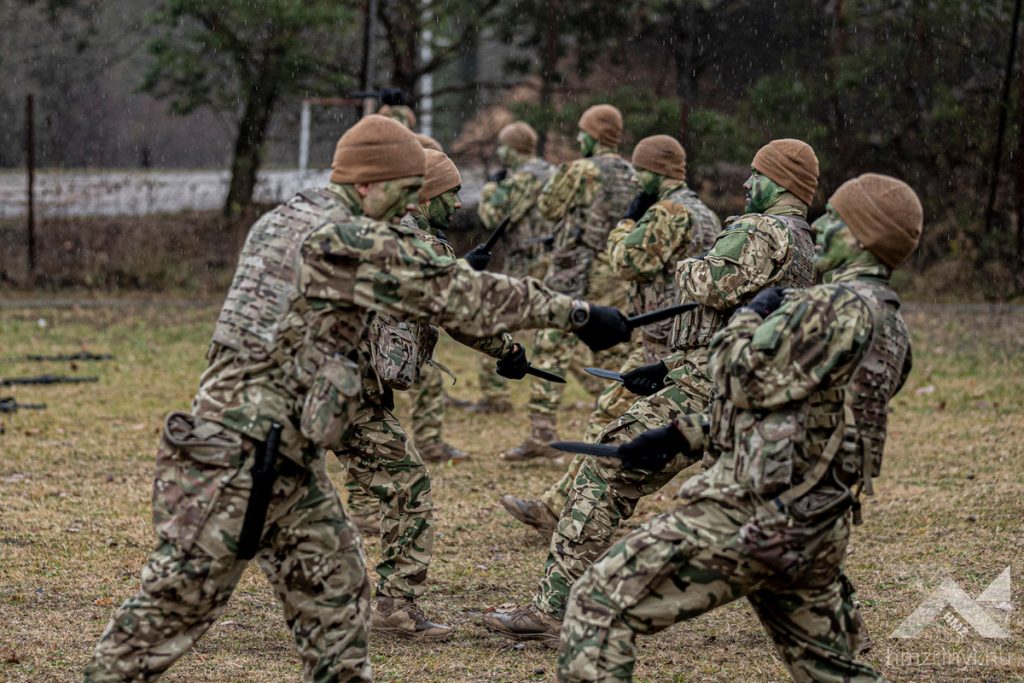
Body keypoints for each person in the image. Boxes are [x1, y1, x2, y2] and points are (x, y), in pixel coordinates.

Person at [83, 115, 634, 682]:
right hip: (236, 459)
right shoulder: (347, 237)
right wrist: (581, 314)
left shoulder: (288, 217)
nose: (407, 210)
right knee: (169, 612)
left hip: (286, 450)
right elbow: (462, 295)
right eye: (402, 195)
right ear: (368, 184)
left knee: (339, 599)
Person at [557, 173, 922, 683]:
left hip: (753, 514)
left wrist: (749, 316)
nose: (820, 225)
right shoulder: (894, 331)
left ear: (864, 236)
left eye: (836, 219)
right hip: (819, 525)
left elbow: (736, 377)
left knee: (597, 602)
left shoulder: (827, 307)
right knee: (832, 671)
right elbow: (807, 419)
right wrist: (685, 435)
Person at [485, 139, 821, 643]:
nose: (748, 184)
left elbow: (711, 286)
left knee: (607, 469)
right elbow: (743, 316)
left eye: (757, 175)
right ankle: (813, 615)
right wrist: (668, 366)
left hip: (712, 384)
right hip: (741, 381)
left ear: (782, 182)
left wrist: (687, 267)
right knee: (756, 501)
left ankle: (552, 611)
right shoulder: (802, 238)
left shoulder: (760, 228)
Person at [338, 149, 532, 640]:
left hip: (310, 386)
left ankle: (189, 582)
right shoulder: (422, 242)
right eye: (453, 192)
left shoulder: (366, 227)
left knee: (274, 497)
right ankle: (393, 609)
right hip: (350, 396)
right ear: (427, 193)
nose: (459, 202)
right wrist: (507, 351)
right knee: (410, 487)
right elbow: (460, 313)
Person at [499, 134, 721, 534]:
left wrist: (626, 223)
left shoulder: (667, 211)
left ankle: (571, 513)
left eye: (640, 172)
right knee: (617, 417)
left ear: (656, 171)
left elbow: (627, 261)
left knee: (612, 422)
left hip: (662, 343)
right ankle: (559, 507)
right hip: (682, 340)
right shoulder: (704, 213)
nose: (635, 180)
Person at [502, 104, 637, 461]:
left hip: (574, 270)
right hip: (612, 270)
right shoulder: (630, 172)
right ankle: (628, 422)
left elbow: (547, 206)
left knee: (551, 345)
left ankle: (541, 435)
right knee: (615, 350)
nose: (578, 138)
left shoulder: (581, 170)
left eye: (582, 132)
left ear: (593, 135)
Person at [471, 121, 557, 414]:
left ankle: (495, 397)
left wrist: (492, 187)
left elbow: (493, 215)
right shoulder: (550, 171)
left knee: (491, 317)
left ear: (514, 147)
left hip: (529, 260)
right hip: (553, 257)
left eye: (502, 145)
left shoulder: (525, 178)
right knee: (558, 326)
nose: (499, 151)